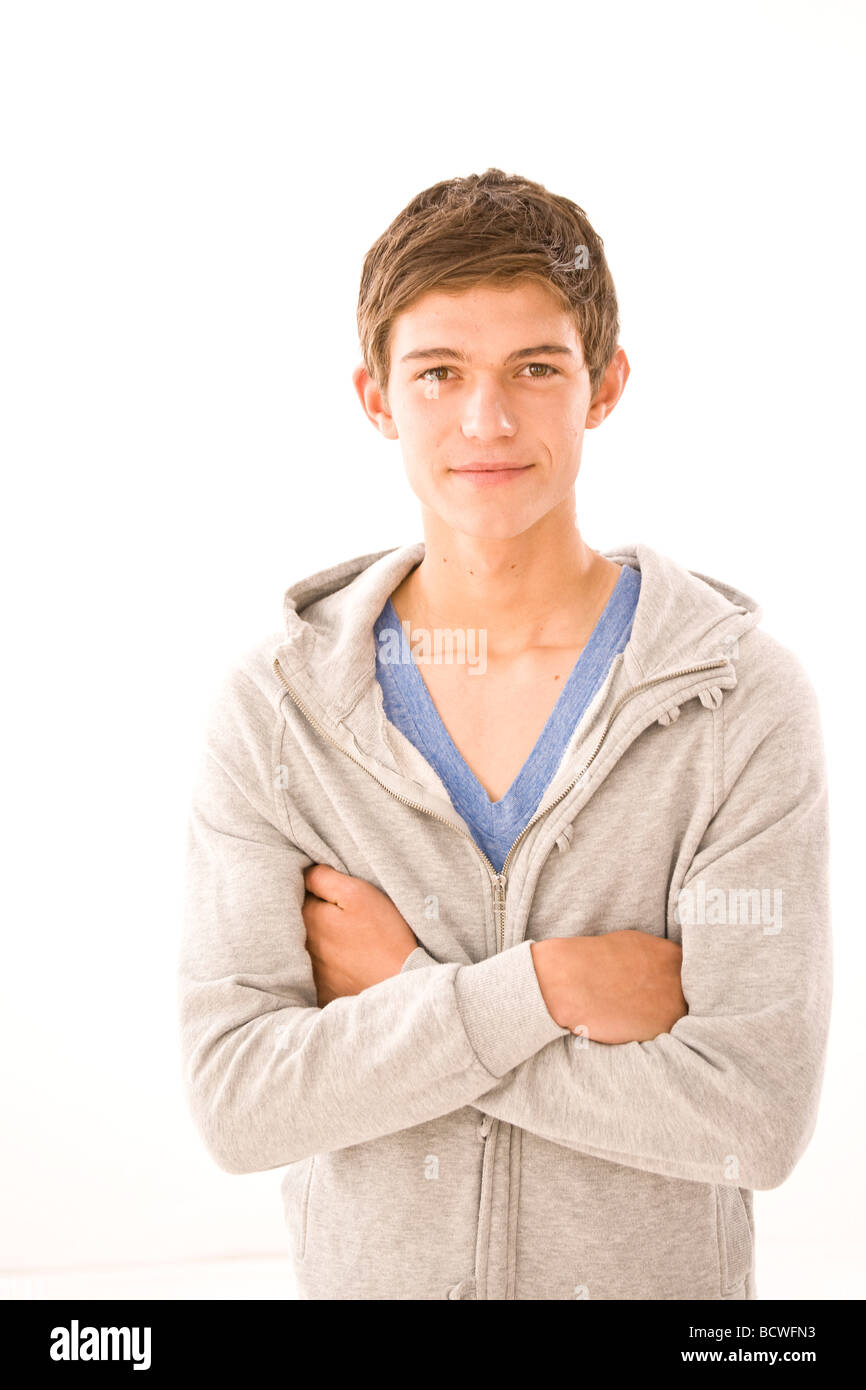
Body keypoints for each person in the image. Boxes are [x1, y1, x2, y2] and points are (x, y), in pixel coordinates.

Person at [178, 168, 832, 1301]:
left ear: (604, 384)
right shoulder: (278, 707)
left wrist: (405, 991)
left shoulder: (737, 702)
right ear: (375, 397)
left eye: (535, 368)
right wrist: (544, 985)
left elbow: (751, 1117)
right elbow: (242, 1103)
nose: (486, 421)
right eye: (438, 374)